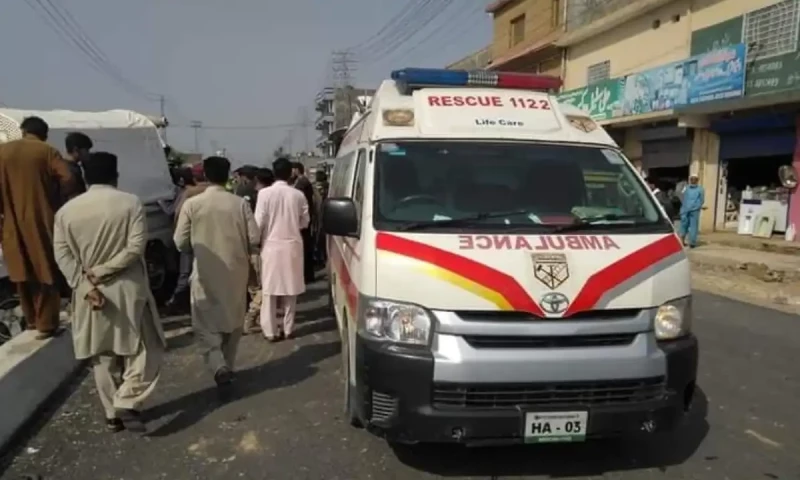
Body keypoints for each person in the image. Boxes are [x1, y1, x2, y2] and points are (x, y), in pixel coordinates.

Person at [53, 152, 166, 433]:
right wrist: (103, 271)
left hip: (90, 295)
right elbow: (135, 248)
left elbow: (62, 255)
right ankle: (127, 399)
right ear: (115, 175)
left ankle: (111, 414)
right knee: (146, 348)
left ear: (86, 177)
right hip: (128, 289)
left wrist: (84, 283)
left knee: (102, 354)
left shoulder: (66, 211)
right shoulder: (130, 203)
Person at [174, 156, 259, 393]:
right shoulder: (240, 204)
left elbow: (180, 242)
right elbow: (254, 238)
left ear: (205, 176)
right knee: (232, 324)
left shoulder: (193, 205)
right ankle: (227, 367)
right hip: (236, 271)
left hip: (205, 270)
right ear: (227, 175)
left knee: (205, 325)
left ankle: (218, 365)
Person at [0, 116, 76, 339]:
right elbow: (68, 179)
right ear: (44, 134)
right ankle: (47, 324)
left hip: (10, 225)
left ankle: (31, 319)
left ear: (23, 131)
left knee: (20, 272)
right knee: (45, 270)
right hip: (40, 220)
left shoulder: (2, 152)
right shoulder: (46, 151)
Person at [255, 158, 309, 342]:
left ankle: (270, 331)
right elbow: (305, 221)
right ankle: (288, 328)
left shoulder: (264, 194)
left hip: (270, 245)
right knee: (290, 289)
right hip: (292, 244)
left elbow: (258, 222)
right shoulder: (298, 195)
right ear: (290, 173)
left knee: (269, 290)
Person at [164, 163, 209, 315]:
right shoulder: (217, 192)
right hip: (209, 239)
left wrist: (176, 235)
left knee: (185, 272)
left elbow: (176, 213)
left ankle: (176, 303)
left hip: (190, 237)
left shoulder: (189, 193)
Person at [242, 168, 276, 334]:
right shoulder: (272, 196)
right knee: (261, 286)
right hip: (264, 246)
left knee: (256, 286)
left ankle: (252, 316)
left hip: (254, 246)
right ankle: (253, 315)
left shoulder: (249, 194)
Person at [291, 162, 316, 284]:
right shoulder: (302, 182)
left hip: (304, 219)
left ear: (297, 170)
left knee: (305, 247)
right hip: (305, 218)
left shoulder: (302, 183)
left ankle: (307, 274)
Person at [678, 174, 704, 248]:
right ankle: (683, 241)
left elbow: (702, 200)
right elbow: (681, 195)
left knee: (692, 226)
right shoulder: (686, 188)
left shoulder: (700, 189)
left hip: (693, 210)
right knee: (685, 225)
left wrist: (696, 206)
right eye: (691, 179)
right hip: (686, 209)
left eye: (694, 179)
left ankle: (692, 242)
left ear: (697, 180)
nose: (693, 181)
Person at [63, 132, 93, 196]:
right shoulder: (71, 170)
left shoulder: (62, 165)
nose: (88, 153)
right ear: (76, 150)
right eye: (86, 150)